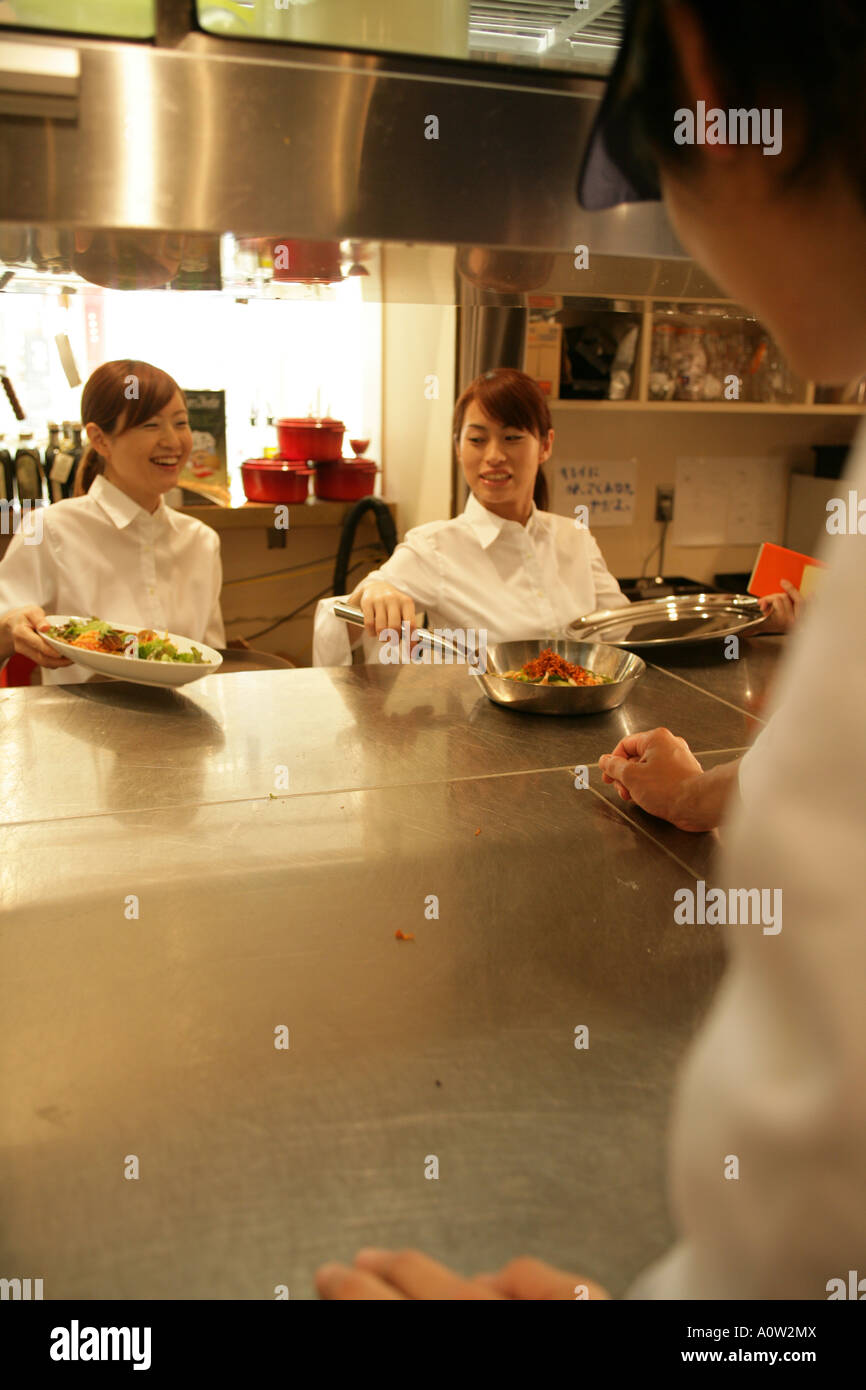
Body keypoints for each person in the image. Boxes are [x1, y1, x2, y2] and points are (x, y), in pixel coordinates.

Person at [316, 0, 866, 1299]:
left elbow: (804, 1230)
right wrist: (719, 788)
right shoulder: (429, 551)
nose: (491, 456)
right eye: (475, 439)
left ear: (697, 67)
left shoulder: (572, 548)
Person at [312, 367, 629, 665]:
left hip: (582, 716)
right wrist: (372, 593)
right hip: (477, 722)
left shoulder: (575, 537)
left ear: (545, 445)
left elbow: (623, 633)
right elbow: (337, 625)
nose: (493, 456)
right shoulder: (435, 547)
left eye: (512, 437)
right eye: (477, 440)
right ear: (459, 448)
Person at [0, 360, 225, 684]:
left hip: (185, 726)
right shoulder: (48, 529)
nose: (173, 441)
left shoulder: (202, 541)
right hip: (81, 729)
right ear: (100, 439)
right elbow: (6, 624)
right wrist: (13, 625)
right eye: (151, 425)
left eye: (181, 423)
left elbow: (211, 659)